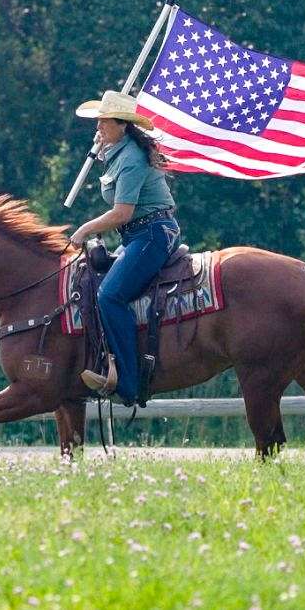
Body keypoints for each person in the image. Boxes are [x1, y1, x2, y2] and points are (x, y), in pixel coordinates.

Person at [69, 90, 180, 405]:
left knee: (109, 296)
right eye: (98, 120)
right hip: (137, 236)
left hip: (151, 235)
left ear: (122, 124)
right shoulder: (118, 153)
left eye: (104, 121)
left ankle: (128, 384)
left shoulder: (130, 158)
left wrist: (84, 229)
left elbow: (122, 213)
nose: (99, 126)